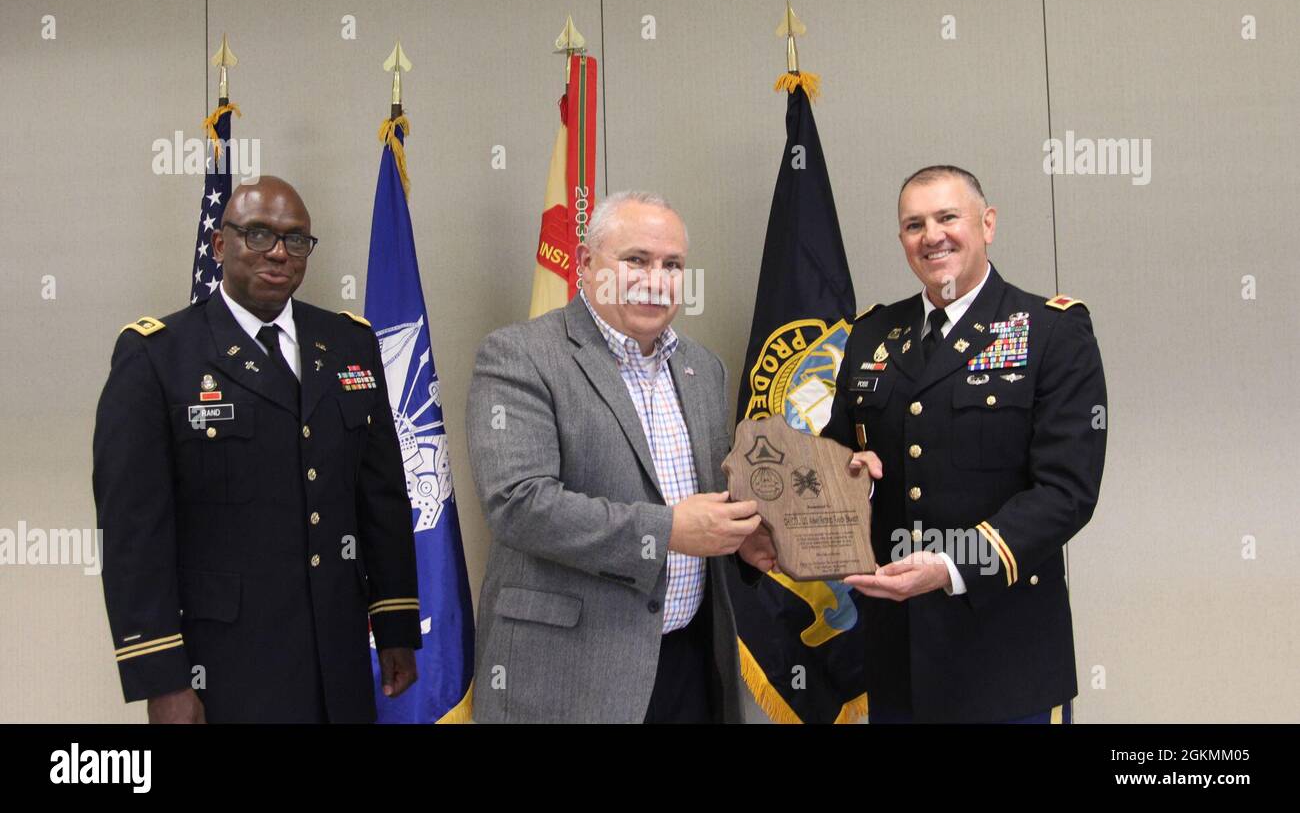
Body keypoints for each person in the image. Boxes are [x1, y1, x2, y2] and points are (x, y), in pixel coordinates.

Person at [92, 175, 420, 723]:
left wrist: (394, 624)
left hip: (336, 655)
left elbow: (381, 495)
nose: (278, 253)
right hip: (225, 665)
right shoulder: (158, 357)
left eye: (296, 240)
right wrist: (162, 678)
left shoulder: (347, 343)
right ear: (220, 245)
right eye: (258, 234)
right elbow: (133, 533)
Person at [466, 191, 776, 723]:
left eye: (672, 265)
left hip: (689, 665)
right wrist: (670, 530)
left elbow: (716, 499)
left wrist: (749, 537)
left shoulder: (705, 370)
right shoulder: (520, 355)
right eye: (636, 260)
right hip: (569, 675)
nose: (656, 278)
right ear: (586, 264)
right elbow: (519, 504)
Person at [822, 165, 1107, 723]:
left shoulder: (1050, 331)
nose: (932, 236)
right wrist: (846, 478)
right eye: (914, 224)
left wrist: (953, 563)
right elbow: (840, 458)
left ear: (987, 223)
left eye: (948, 217)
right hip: (897, 657)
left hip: (1005, 658)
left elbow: (1066, 492)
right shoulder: (872, 335)